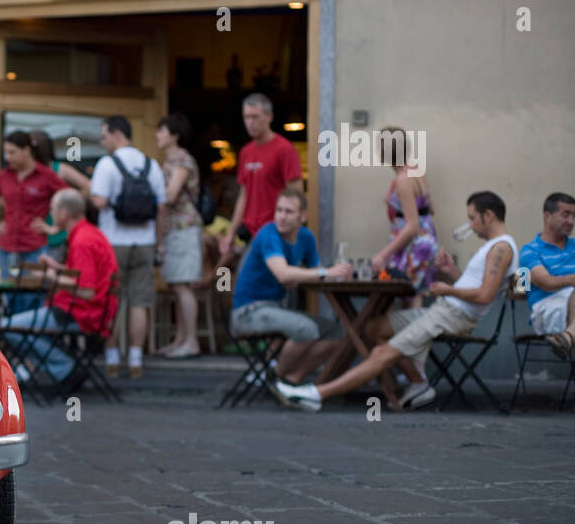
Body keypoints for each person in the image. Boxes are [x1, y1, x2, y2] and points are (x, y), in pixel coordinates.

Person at [273, 191, 518, 412]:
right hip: (447, 309)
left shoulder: (500, 249)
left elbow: (485, 295)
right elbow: (474, 285)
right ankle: (418, 384)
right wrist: (453, 273)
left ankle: (315, 394)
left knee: (383, 352)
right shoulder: (492, 247)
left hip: (453, 316)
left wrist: (447, 290)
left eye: (473, 218)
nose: (471, 226)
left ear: (489, 216)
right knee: (372, 328)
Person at [230, 189, 351, 384]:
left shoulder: (306, 237)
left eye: (289, 211)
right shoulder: (267, 234)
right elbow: (284, 274)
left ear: (302, 216)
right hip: (249, 312)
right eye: (279, 210)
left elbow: (315, 273)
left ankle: (292, 379)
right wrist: (326, 273)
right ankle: (275, 377)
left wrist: (340, 275)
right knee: (305, 329)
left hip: (276, 309)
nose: (282, 217)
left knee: (337, 333)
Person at [3, 189, 118, 390]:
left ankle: (66, 368)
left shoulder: (82, 241)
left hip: (80, 313)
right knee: (19, 327)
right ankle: (64, 368)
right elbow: (82, 276)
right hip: (85, 310)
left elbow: (86, 291)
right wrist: (57, 268)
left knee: (4, 326)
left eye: (53, 210)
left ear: (65, 213)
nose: (51, 215)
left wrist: (50, 276)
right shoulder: (89, 233)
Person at [88, 114, 167, 379]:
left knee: (114, 301)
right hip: (144, 242)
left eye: (104, 136)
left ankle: (112, 359)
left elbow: (98, 202)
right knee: (139, 302)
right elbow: (161, 208)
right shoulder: (151, 164)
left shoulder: (107, 165)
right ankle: (135, 360)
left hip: (113, 243)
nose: (103, 142)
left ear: (117, 134)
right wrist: (160, 244)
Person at [219, 93, 303, 258]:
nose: (250, 122)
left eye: (255, 117)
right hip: (250, 232)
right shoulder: (245, 152)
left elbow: (296, 195)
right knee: (246, 280)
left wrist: (292, 232)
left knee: (265, 280)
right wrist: (231, 232)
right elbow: (244, 195)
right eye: (246, 117)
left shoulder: (284, 150)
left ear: (269, 116)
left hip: (276, 231)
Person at [0, 130, 67, 280]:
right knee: (8, 294)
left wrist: (54, 228)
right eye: (6, 153)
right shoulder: (4, 175)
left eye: (12, 152)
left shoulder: (45, 175)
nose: (8, 157)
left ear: (26, 150)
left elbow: (69, 199)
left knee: (32, 294)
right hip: (7, 247)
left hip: (34, 247)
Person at [370, 126, 438, 306]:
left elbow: (412, 225)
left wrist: (383, 255)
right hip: (427, 239)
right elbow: (429, 208)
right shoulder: (415, 170)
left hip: (414, 243)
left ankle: (409, 334)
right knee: (413, 295)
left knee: (408, 296)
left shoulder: (403, 179)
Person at [155, 113, 204, 359]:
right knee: (177, 285)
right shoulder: (171, 160)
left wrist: (152, 194)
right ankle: (180, 339)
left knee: (183, 285)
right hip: (176, 229)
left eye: (162, 130)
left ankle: (191, 340)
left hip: (184, 227)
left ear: (174, 134)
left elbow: (171, 195)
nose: (157, 135)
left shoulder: (181, 159)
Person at [518, 191, 575, 358]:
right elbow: (545, 282)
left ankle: (567, 337)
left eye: (574, 216)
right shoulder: (530, 250)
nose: (571, 222)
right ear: (548, 216)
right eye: (566, 215)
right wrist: (572, 279)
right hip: (547, 307)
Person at [29, 130, 91, 261]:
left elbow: (88, 186)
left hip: (54, 234)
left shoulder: (59, 169)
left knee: (50, 274)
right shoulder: (26, 171)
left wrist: (69, 204)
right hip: (30, 236)